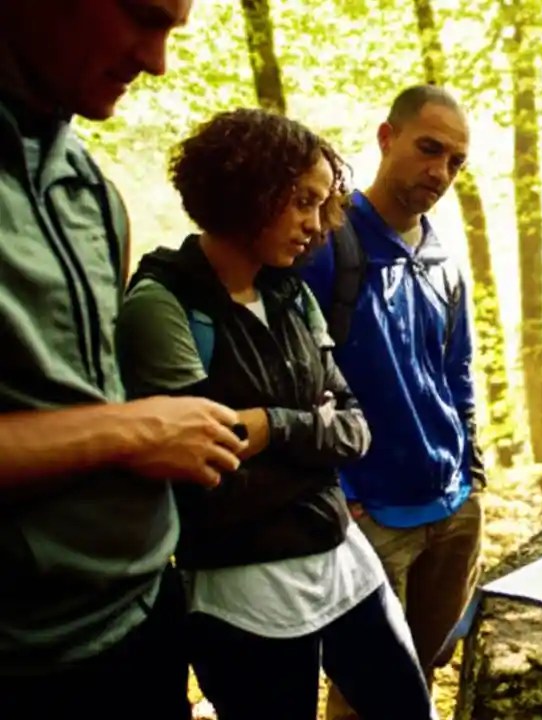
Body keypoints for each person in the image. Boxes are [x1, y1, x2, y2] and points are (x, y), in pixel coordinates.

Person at [116, 108, 434, 720]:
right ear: (243, 192)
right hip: (245, 589)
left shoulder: (289, 295)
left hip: (341, 559)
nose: (316, 226)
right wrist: (310, 442)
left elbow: (356, 427)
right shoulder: (164, 307)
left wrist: (275, 426)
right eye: (300, 203)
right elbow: (211, 474)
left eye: (322, 205)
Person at [0, 3, 246, 718]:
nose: (157, 59)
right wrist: (135, 431)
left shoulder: (86, 182)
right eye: (143, 16)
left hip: (140, 620)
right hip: (29, 661)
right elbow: (118, 421)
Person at [297, 85, 483, 719]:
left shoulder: (445, 260)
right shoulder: (324, 245)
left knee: (420, 678)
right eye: (429, 150)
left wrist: (472, 470)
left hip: (454, 511)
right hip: (368, 516)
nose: (440, 173)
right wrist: (339, 489)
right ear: (386, 137)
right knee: (360, 694)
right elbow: (288, 377)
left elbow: (457, 373)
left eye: (456, 162)